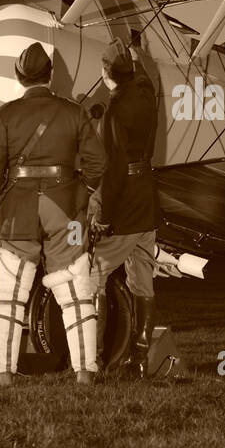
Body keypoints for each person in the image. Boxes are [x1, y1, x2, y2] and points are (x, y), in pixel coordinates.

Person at [0, 43, 106, 387]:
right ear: (50, 75)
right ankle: (85, 371)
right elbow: (98, 162)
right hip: (65, 212)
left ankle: (2, 373)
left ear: (19, 77)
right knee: (76, 292)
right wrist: (80, 194)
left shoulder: (5, 115)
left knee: (7, 296)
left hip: (17, 213)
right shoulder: (74, 112)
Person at [75, 39, 161, 377]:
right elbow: (145, 76)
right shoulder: (146, 95)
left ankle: (93, 362)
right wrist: (133, 55)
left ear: (106, 72)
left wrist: (104, 217)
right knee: (143, 283)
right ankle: (139, 360)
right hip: (147, 201)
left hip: (124, 206)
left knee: (94, 277)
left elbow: (113, 172)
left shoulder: (114, 112)